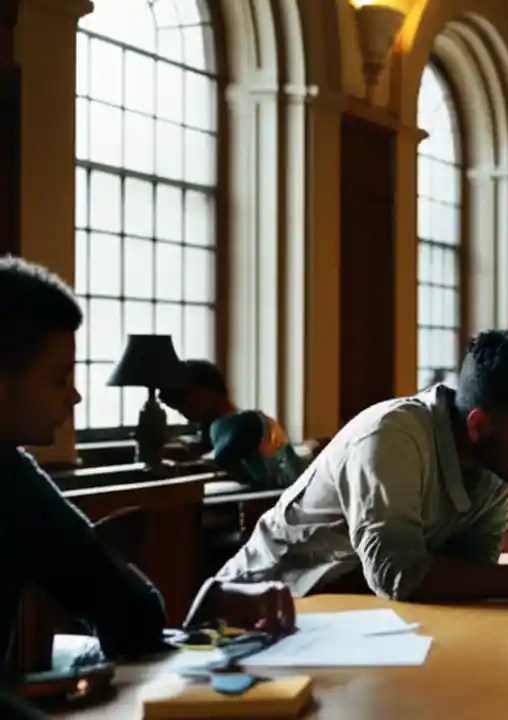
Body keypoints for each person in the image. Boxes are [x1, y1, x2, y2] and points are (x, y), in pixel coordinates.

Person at [0, 257, 293, 664]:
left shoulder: (13, 475)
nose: (74, 396)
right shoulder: (11, 484)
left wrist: (205, 601)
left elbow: (127, 608)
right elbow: (132, 612)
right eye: (60, 377)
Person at [216, 329, 508, 602]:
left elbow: (474, 573)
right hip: (255, 617)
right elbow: (399, 576)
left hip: (352, 619)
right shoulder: (391, 435)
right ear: (477, 425)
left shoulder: (492, 463)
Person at [159, 359, 305, 490]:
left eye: (184, 396)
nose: (182, 407)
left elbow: (219, 459)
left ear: (208, 390)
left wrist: (182, 462)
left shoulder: (244, 421)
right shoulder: (221, 428)